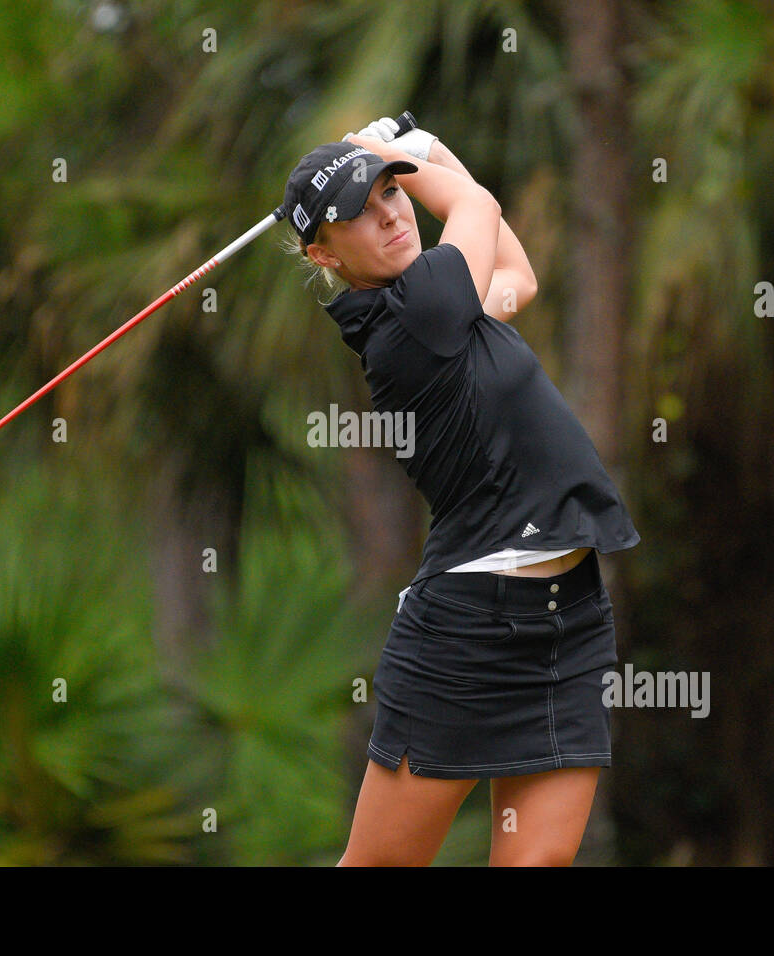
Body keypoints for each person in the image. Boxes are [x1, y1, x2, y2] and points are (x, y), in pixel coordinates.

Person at [281, 117, 641, 866]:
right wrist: (397, 151)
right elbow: (476, 210)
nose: (389, 215)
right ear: (323, 254)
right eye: (360, 214)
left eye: (392, 195)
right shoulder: (414, 322)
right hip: (470, 625)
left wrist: (422, 153)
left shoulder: (455, 306)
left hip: (568, 616)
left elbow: (521, 275)